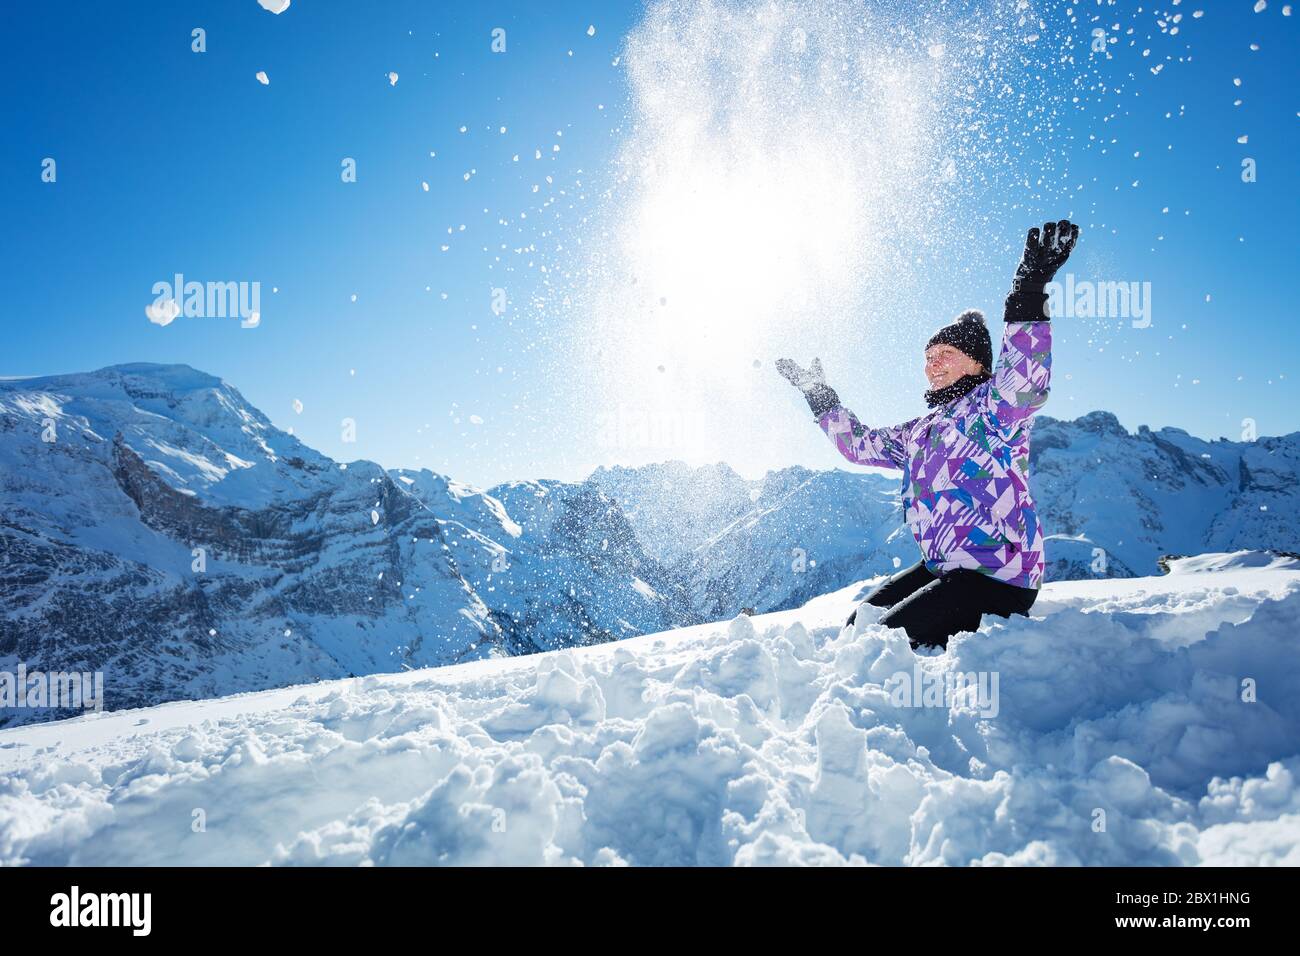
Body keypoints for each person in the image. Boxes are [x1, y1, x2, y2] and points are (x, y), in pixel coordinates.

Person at [777, 219, 1079, 650]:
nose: (932, 364)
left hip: (998, 577)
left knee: (882, 645)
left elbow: (1026, 376)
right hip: (943, 568)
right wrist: (819, 395)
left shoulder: (996, 410)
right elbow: (858, 446)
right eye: (928, 356)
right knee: (858, 628)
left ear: (976, 362)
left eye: (945, 354)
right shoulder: (921, 431)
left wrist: (1029, 286)